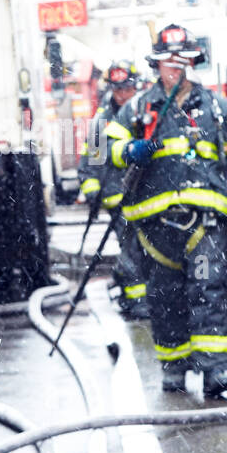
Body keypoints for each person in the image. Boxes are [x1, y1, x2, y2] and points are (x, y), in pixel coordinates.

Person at [108, 25, 227, 397]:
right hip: (154, 227)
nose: (175, 68)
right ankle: (175, 367)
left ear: (193, 63)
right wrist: (131, 150)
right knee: (165, 299)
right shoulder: (137, 108)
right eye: (168, 61)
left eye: (183, 61)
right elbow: (106, 149)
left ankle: (216, 370)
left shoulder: (215, 108)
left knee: (209, 292)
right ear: (157, 65)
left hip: (207, 222)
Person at [77, 59, 149, 318]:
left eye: (127, 88)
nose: (123, 94)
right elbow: (90, 162)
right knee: (131, 247)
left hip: (149, 195)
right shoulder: (102, 121)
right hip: (117, 197)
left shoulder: (146, 112)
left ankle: (132, 284)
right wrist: (93, 190)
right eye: (118, 89)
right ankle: (136, 298)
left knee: (149, 247)